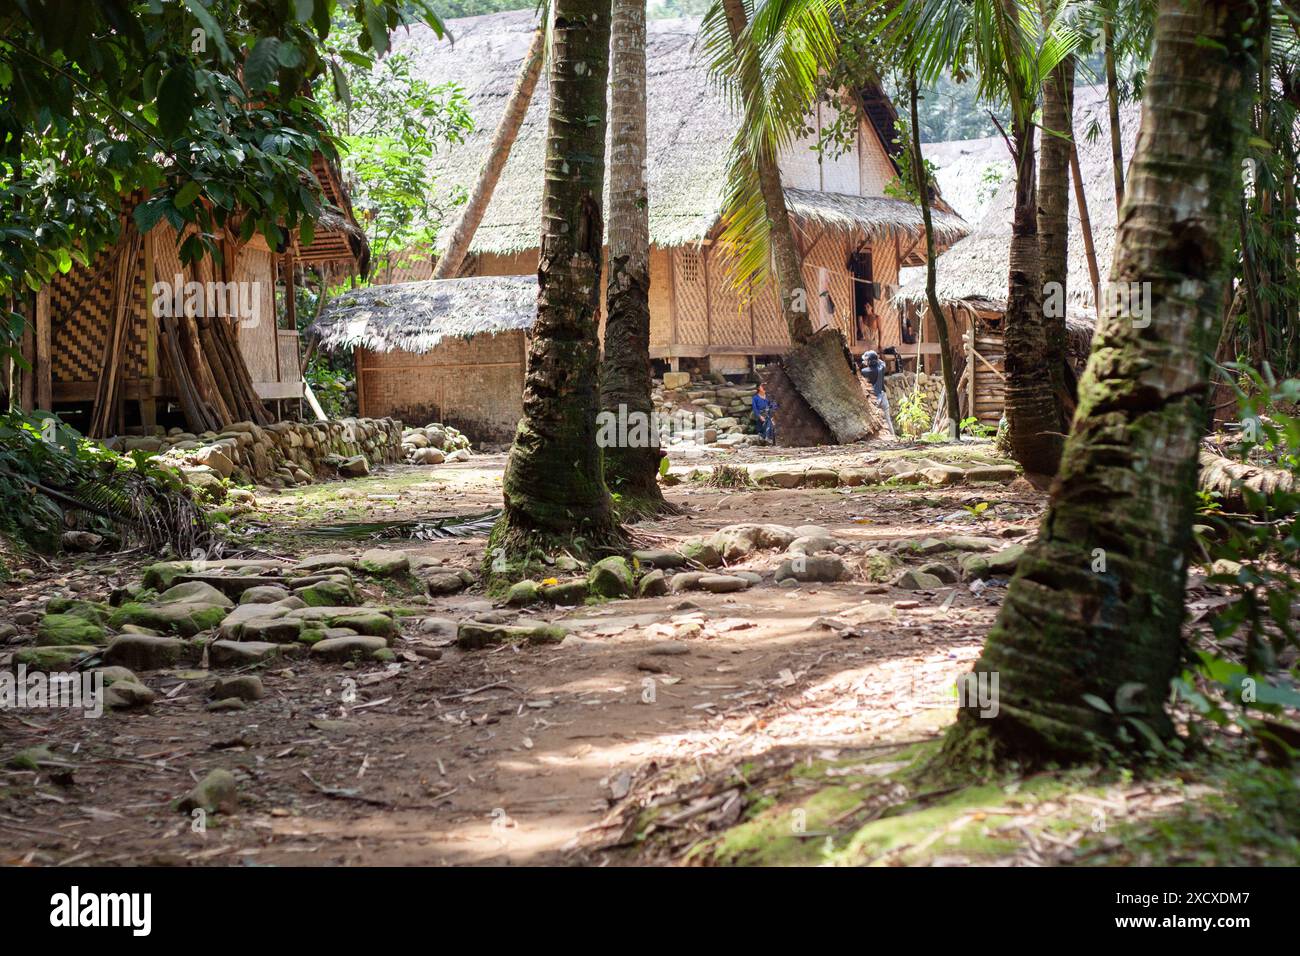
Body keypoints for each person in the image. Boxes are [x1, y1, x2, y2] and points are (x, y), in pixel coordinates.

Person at [860, 350, 895, 436]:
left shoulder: (864, 371)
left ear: (869, 361)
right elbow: (881, 362)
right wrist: (875, 358)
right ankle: (893, 437)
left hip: (873, 399)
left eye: (866, 360)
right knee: (887, 420)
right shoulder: (881, 367)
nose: (864, 361)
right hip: (882, 395)